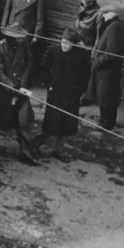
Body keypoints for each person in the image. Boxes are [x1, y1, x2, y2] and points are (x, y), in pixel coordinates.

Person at [0, 25, 40, 163]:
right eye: (15, 38)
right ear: (8, 37)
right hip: (3, 91)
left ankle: (25, 151)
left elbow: (29, 62)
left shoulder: (24, 44)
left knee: (23, 120)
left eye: (20, 38)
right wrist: (12, 87)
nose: (19, 41)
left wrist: (23, 82)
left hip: (20, 89)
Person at [38, 29, 87, 158]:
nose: (64, 45)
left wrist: (78, 92)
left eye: (68, 43)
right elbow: (44, 69)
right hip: (55, 92)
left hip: (71, 95)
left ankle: (58, 150)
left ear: (74, 44)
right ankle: (34, 145)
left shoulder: (81, 55)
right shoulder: (53, 50)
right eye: (62, 42)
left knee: (67, 123)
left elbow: (86, 76)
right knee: (51, 122)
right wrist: (49, 85)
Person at [1, 0, 49, 83]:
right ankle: (6, 80)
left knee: (22, 58)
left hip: (25, 30)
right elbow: (8, 7)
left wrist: (37, 35)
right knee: (8, 54)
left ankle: (19, 83)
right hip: (11, 27)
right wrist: (3, 25)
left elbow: (40, 17)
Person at [90, 4, 124, 129]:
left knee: (106, 96)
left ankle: (107, 123)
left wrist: (98, 61)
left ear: (111, 14)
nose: (103, 15)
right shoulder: (114, 25)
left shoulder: (115, 27)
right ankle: (105, 120)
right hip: (107, 69)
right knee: (105, 95)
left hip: (108, 69)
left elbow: (112, 52)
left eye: (105, 13)